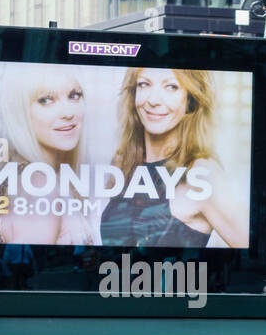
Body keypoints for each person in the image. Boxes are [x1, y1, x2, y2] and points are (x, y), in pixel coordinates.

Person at [102, 67, 247, 249]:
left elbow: (260, 257)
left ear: (191, 100)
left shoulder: (203, 174)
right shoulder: (123, 162)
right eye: (144, 84)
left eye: (171, 87)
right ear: (133, 93)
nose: (153, 100)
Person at [0, 66, 91, 246]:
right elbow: (31, 271)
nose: (68, 113)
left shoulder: (21, 178)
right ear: (19, 112)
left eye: (74, 95)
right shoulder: (39, 187)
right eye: (46, 100)